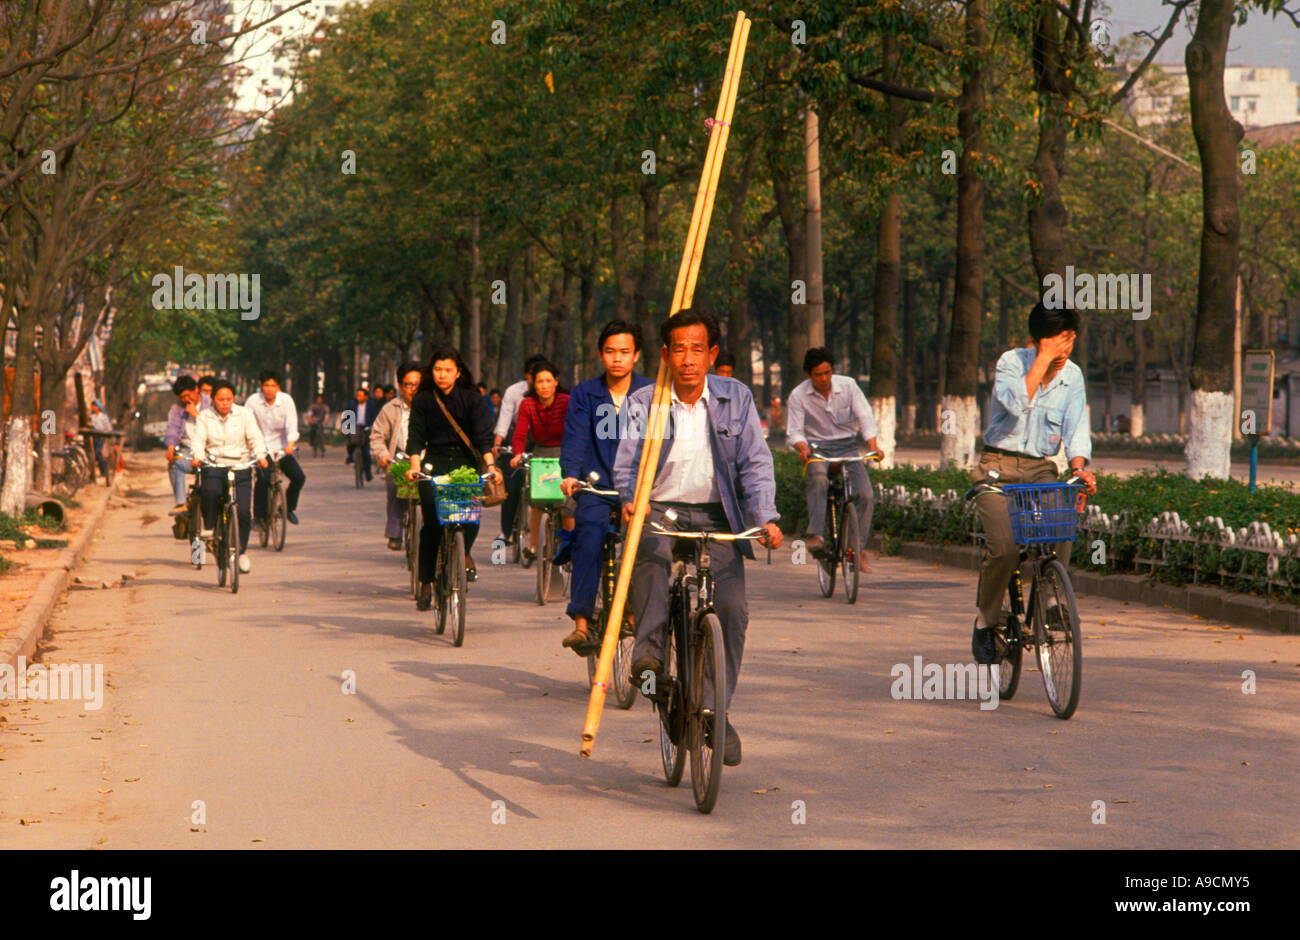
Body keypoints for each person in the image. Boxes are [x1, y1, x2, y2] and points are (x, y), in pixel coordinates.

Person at [614, 310, 782, 767]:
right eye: (678, 350)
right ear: (665, 355)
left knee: (732, 608)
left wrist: (765, 516)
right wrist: (632, 499)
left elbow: (755, 462)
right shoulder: (644, 402)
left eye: (697, 349)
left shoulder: (736, 398)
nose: (688, 359)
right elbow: (628, 463)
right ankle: (648, 657)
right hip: (660, 508)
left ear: (711, 355)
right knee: (650, 560)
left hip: (717, 512)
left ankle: (714, 708)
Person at [970, 302, 1097, 665]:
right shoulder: (1011, 363)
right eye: (1057, 341)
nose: (1064, 350)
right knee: (1006, 549)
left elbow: (1076, 430)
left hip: (1041, 468)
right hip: (996, 468)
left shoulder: (1073, 376)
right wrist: (1042, 358)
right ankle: (986, 620)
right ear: (1037, 339)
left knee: (1062, 520)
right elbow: (1015, 403)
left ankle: (1051, 600)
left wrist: (1079, 468)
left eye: (1069, 341)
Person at [558, 320, 653, 651]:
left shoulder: (650, 393)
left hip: (639, 490)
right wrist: (570, 474)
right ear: (600, 354)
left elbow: (661, 443)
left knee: (644, 541)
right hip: (596, 487)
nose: (618, 358)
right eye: (611, 351)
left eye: (625, 352)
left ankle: (632, 610)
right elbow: (575, 438)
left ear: (636, 355)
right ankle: (582, 622)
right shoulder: (585, 393)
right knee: (589, 533)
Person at [404, 346, 501, 608]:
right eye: (437, 369)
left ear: (458, 372)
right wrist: (415, 467)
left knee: (470, 520)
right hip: (433, 466)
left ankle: (464, 552)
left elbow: (483, 438)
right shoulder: (424, 399)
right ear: (431, 371)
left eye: (448, 370)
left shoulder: (472, 399)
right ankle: (425, 580)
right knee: (432, 525)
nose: (442, 375)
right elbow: (414, 438)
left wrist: (491, 467)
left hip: (466, 467)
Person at [786, 347, 882, 568]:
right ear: (808, 375)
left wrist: (873, 446)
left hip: (847, 447)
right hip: (817, 449)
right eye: (818, 374)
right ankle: (816, 535)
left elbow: (865, 416)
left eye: (827, 372)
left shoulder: (848, 386)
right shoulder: (798, 395)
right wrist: (802, 448)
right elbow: (795, 431)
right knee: (818, 478)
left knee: (866, 494)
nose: (824, 379)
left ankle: (856, 549)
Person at [190, 380, 269, 574]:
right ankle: (210, 526)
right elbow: (199, 439)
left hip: (241, 464)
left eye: (228, 399)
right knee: (209, 491)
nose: (225, 403)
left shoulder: (244, 414)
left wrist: (260, 455)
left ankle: (241, 552)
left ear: (233, 399)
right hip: (215, 464)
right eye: (220, 399)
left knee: (243, 512)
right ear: (213, 400)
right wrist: (198, 456)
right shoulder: (205, 417)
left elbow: (255, 437)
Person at [510, 359, 572, 561]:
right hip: (540, 453)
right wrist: (518, 454)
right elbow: (520, 433)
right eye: (539, 382)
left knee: (566, 501)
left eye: (548, 381)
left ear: (556, 381)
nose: (544, 386)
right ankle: (534, 546)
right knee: (536, 500)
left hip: (565, 452)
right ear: (533, 384)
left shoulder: (567, 401)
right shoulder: (527, 404)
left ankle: (567, 543)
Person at [493, 353, 546, 542]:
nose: (540, 382)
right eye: (534, 376)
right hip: (516, 440)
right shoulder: (514, 392)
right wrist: (498, 444)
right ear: (527, 375)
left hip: (541, 443)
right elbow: (505, 419)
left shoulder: (550, 392)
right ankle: (506, 532)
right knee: (513, 488)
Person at [372, 361, 423, 550]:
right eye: (409, 385)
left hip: (427, 459)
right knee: (395, 487)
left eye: (418, 384)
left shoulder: (432, 406)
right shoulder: (390, 408)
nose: (413, 389)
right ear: (401, 386)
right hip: (401, 458)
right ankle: (395, 533)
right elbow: (377, 436)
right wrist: (384, 455)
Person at [246, 370, 306, 527]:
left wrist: (291, 444)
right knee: (263, 478)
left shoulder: (286, 400)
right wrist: (251, 444)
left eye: (273, 386)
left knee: (299, 477)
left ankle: (288, 509)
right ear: (261, 386)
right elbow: (247, 423)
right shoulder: (253, 401)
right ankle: (259, 516)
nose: (269, 389)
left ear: (278, 387)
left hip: (281, 449)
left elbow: (292, 424)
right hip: (261, 449)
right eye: (266, 385)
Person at [164, 375, 210, 513]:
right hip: (187, 451)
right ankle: (181, 503)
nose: (185, 399)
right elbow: (172, 428)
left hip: (209, 450)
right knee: (174, 464)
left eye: (188, 395)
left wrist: (197, 415)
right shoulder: (177, 408)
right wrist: (170, 447)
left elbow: (215, 426)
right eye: (182, 397)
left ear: (196, 389)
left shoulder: (210, 403)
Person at [345, 387, 375, 480]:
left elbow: (375, 416)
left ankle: (368, 472)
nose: (359, 397)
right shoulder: (352, 403)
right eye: (357, 395)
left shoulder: (371, 404)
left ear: (366, 397)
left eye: (361, 395)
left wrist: (372, 426)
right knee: (350, 443)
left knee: (366, 451)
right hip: (355, 426)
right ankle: (350, 457)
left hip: (366, 427)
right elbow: (347, 415)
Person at [88, 399, 114, 481]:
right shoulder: (91, 417)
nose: (92, 408)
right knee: (95, 454)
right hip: (94, 437)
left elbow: (108, 428)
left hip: (101, 437)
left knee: (98, 452)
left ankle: (104, 469)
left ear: (97, 407)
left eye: (94, 406)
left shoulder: (103, 417)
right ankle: (101, 471)